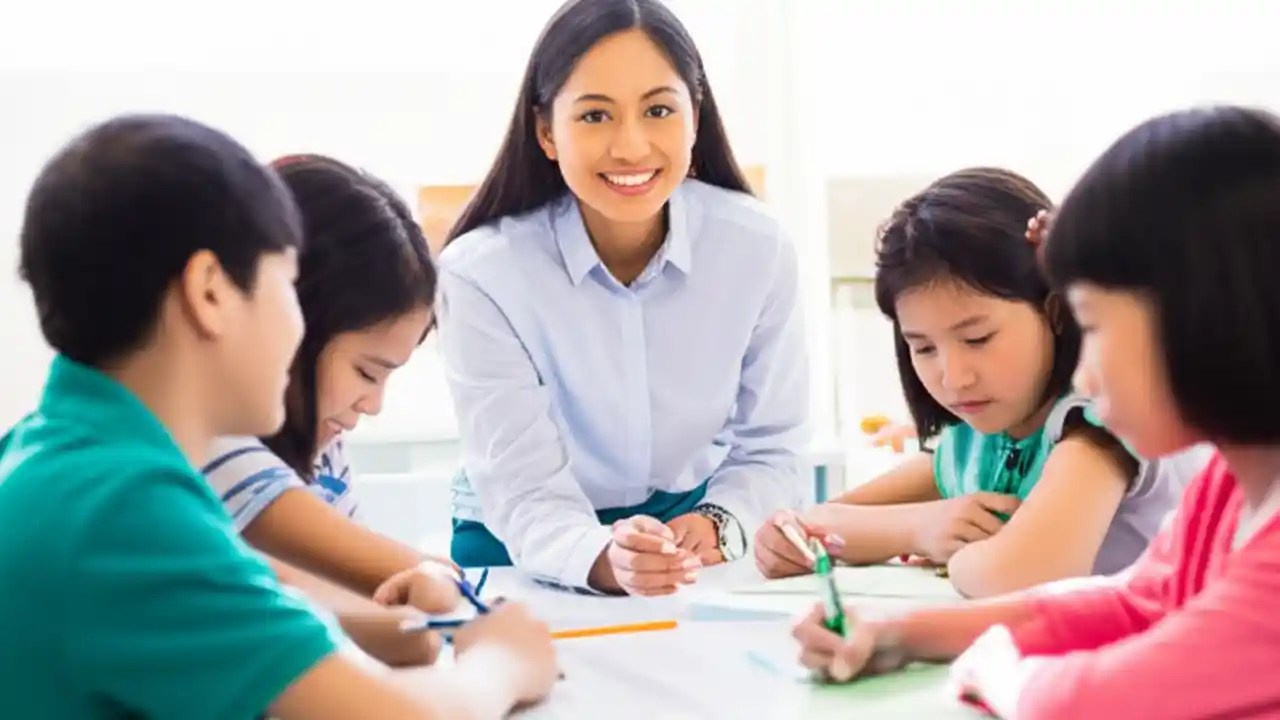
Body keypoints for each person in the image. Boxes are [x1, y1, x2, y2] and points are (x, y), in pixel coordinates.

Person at [0, 114, 555, 719]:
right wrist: (502, 660)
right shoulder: (122, 509)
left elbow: (255, 599)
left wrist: (405, 621)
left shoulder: (54, 458)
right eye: (289, 285)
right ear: (210, 291)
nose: (299, 325)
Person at [793, 106, 1280, 719]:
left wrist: (990, 665)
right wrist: (899, 636)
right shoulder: (1229, 486)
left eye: (1095, 326)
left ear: (1201, 315)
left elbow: (1095, 700)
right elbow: (1132, 602)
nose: (1084, 372)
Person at [439, 0, 808, 596]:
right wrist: (601, 557)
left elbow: (774, 445)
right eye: (594, 117)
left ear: (695, 116)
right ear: (545, 132)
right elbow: (523, 488)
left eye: (659, 109)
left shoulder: (756, 247)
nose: (631, 147)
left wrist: (722, 522)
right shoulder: (481, 274)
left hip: (688, 533)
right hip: (515, 541)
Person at [755, 168, 1188, 598]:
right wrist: (921, 527)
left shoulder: (1099, 426)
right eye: (923, 349)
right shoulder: (977, 443)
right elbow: (802, 527)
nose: (953, 377)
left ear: (1055, 311)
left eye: (978, 339)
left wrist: (946, 546)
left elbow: (1021, 576)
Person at [203, 154, 459, 620]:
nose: (374, 404)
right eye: (366, 372)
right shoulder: (210, 446)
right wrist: (435, 581)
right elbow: (398, 580)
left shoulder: (320, 447)